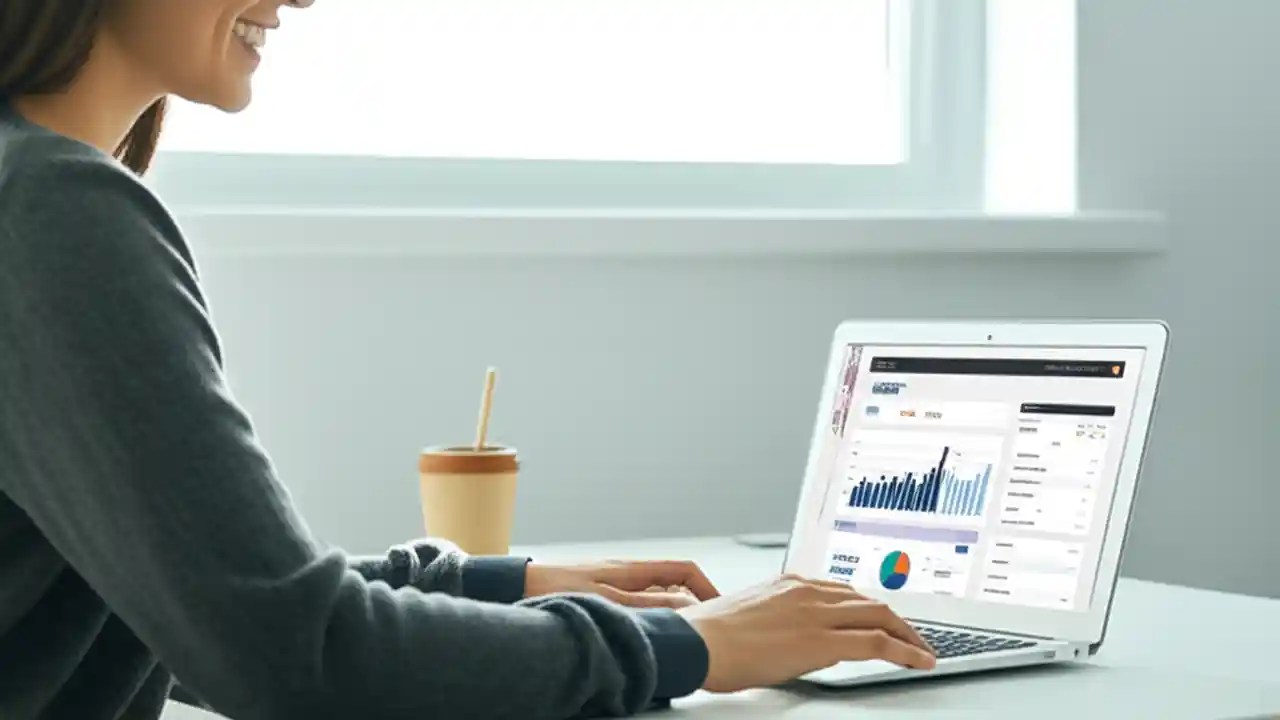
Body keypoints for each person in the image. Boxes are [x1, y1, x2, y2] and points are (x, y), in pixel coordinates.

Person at [0, 1, 937, 718]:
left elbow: (202, 603)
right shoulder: (51, 212)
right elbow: (290, 653)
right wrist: (687, 646)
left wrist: (497, 584)